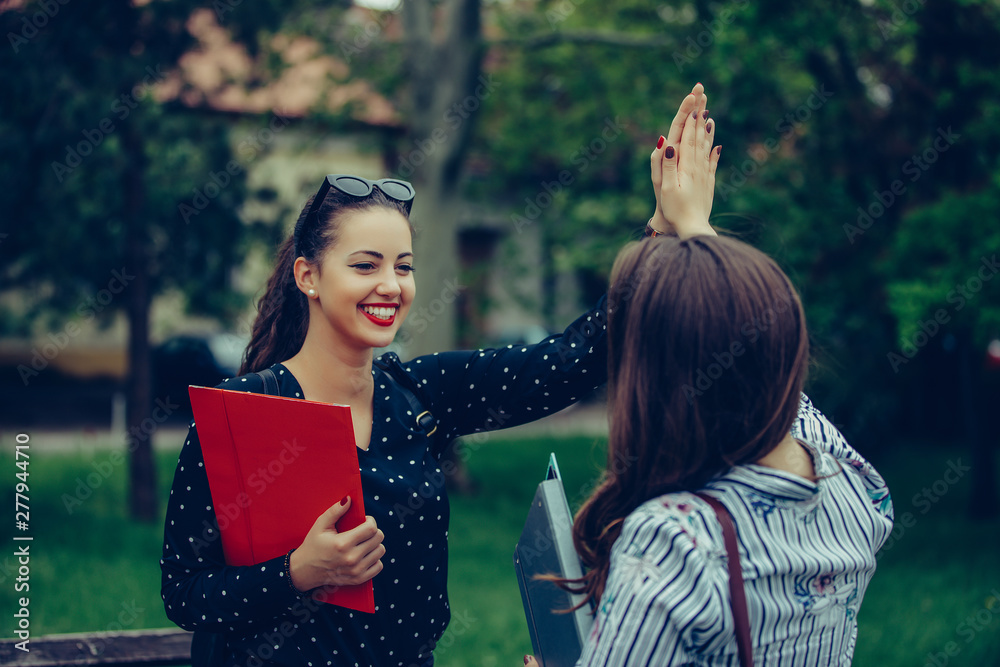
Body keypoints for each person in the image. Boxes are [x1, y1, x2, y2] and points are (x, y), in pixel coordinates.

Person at [161, 85, 716, 667]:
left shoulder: (418, 396)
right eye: (364, 265)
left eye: (403, 266)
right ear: (308, 277)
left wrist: (663, 228)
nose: (391, 285)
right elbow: (186, 593)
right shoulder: (243, 411)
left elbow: (568, 361)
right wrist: (299, 573)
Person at [524, 103, 894, 666]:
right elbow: (756, 360)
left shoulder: (674, 542)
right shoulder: (856, 490)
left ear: (654, 381)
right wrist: (689, 223)